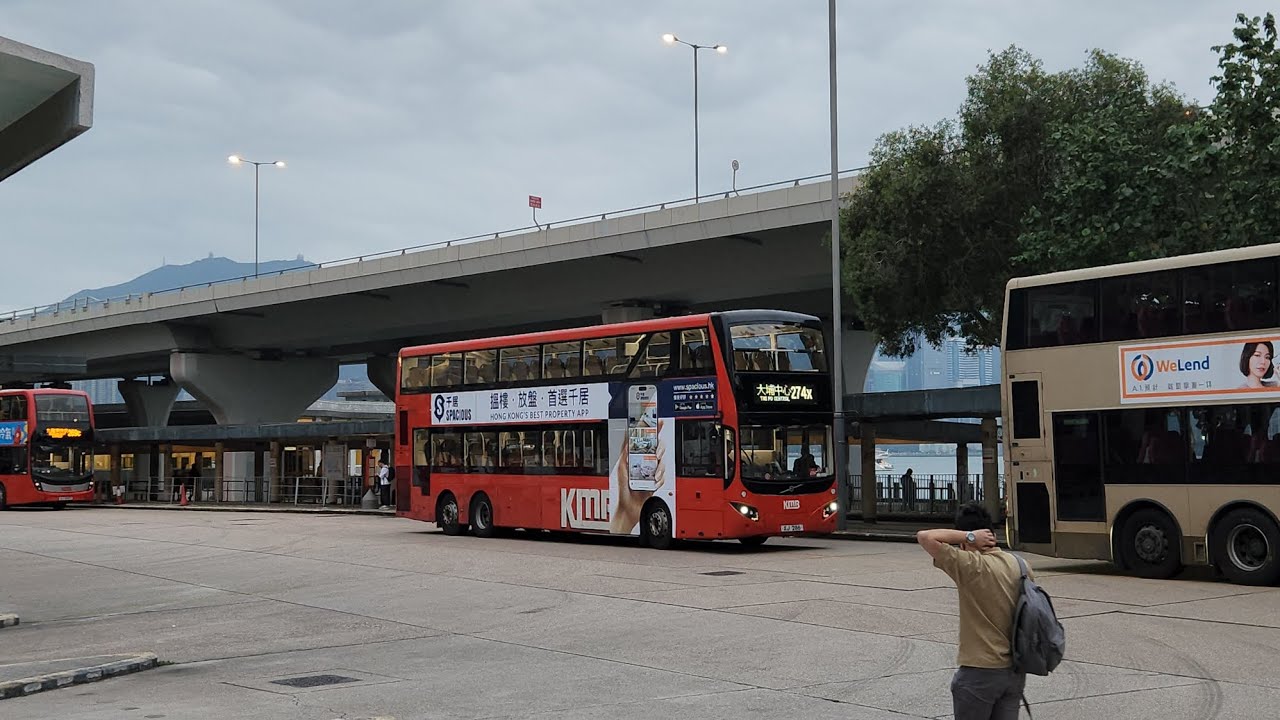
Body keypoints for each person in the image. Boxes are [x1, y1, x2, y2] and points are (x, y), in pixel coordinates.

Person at [917, 502, 1027, 720]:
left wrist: (967, 537)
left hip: (979, 671)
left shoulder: (969, 566)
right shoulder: (1020, 565)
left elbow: (925, 537)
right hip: (1014, 672)